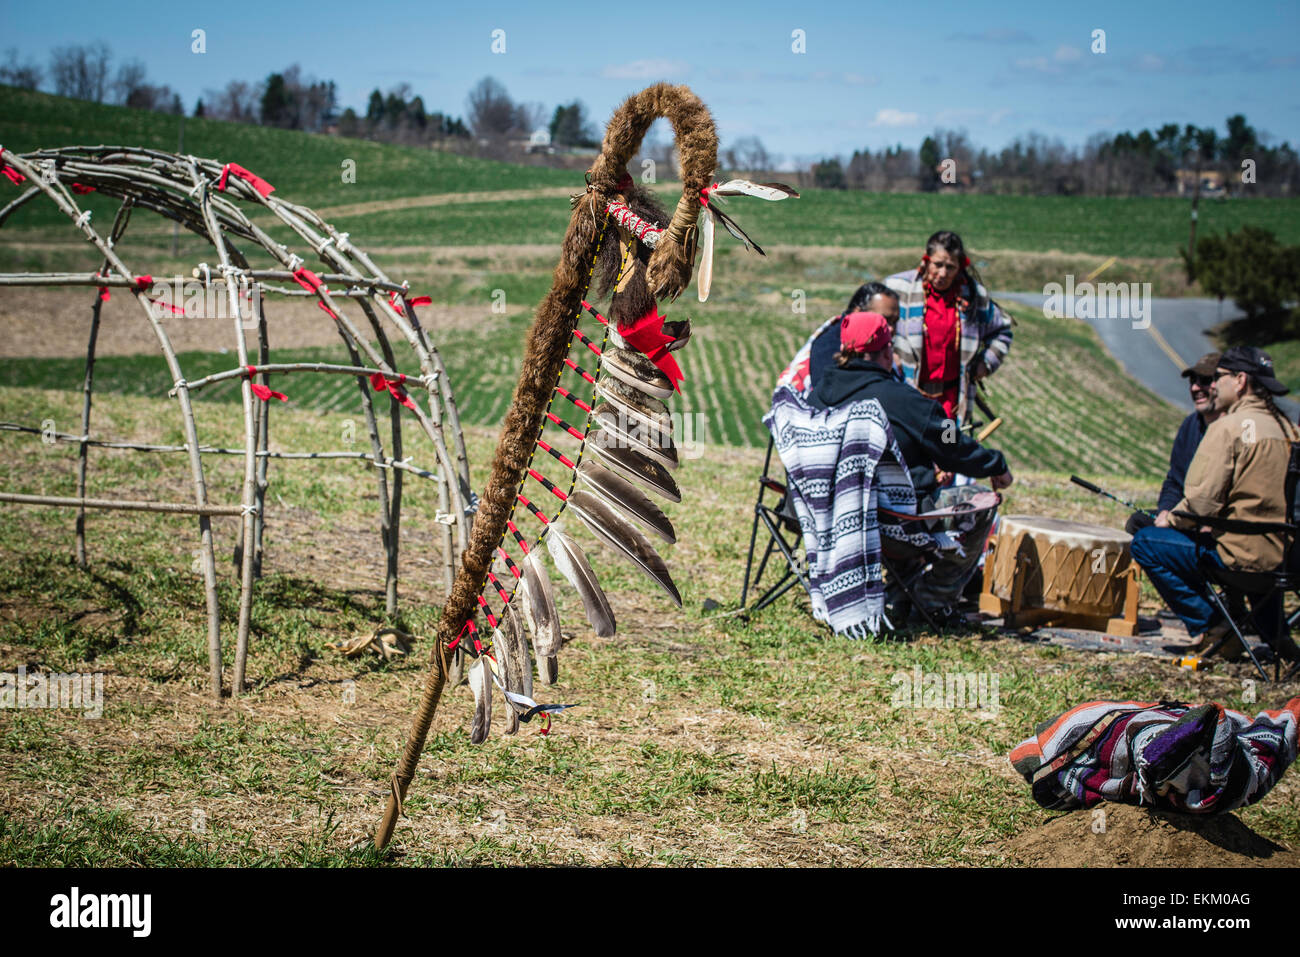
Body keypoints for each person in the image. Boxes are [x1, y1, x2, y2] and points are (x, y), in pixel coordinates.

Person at [809, 310, 1013, 620]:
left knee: (900, 488)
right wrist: (995, 464)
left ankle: (898, 593)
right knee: (980, 503)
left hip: (824, 517)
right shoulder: (902, 399)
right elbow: (952, 444)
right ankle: (931, 599)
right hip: (889, 526)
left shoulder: (817, 395)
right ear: (887, 351)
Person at [1130, 347, 1300, 659]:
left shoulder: (1228, 428)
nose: (1212, 385)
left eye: (1218, 377)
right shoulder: (1289, 430)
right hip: (1286, 560)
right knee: (1255, 542)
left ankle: (1215, 626)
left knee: (1145, 542)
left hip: (1239, 558)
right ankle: (1276, 636)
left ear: (1240, 380)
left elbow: (1201, 502)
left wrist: (1171, 519)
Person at [885, 230, 1013, 424]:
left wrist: (986, 363)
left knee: (946, 448)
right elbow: (873, 324)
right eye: (938, 265)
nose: (943, 273)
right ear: (927, 260)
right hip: (906, 392)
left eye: (950, 267)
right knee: (909, 451)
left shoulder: (973, 297)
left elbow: (1002, 330)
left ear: (960, 267)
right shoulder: (899, 288)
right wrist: (889, 355)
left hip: (950, 402)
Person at [1127, 352, 1223, 534]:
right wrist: (1166, 512)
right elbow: (1175, 482)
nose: (1195, 388)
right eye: (1192, 381)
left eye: (1204, 380)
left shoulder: (1235, 430)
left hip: (1218, 527)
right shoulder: (1190, 425)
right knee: (1138, 522)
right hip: (1185, 518)